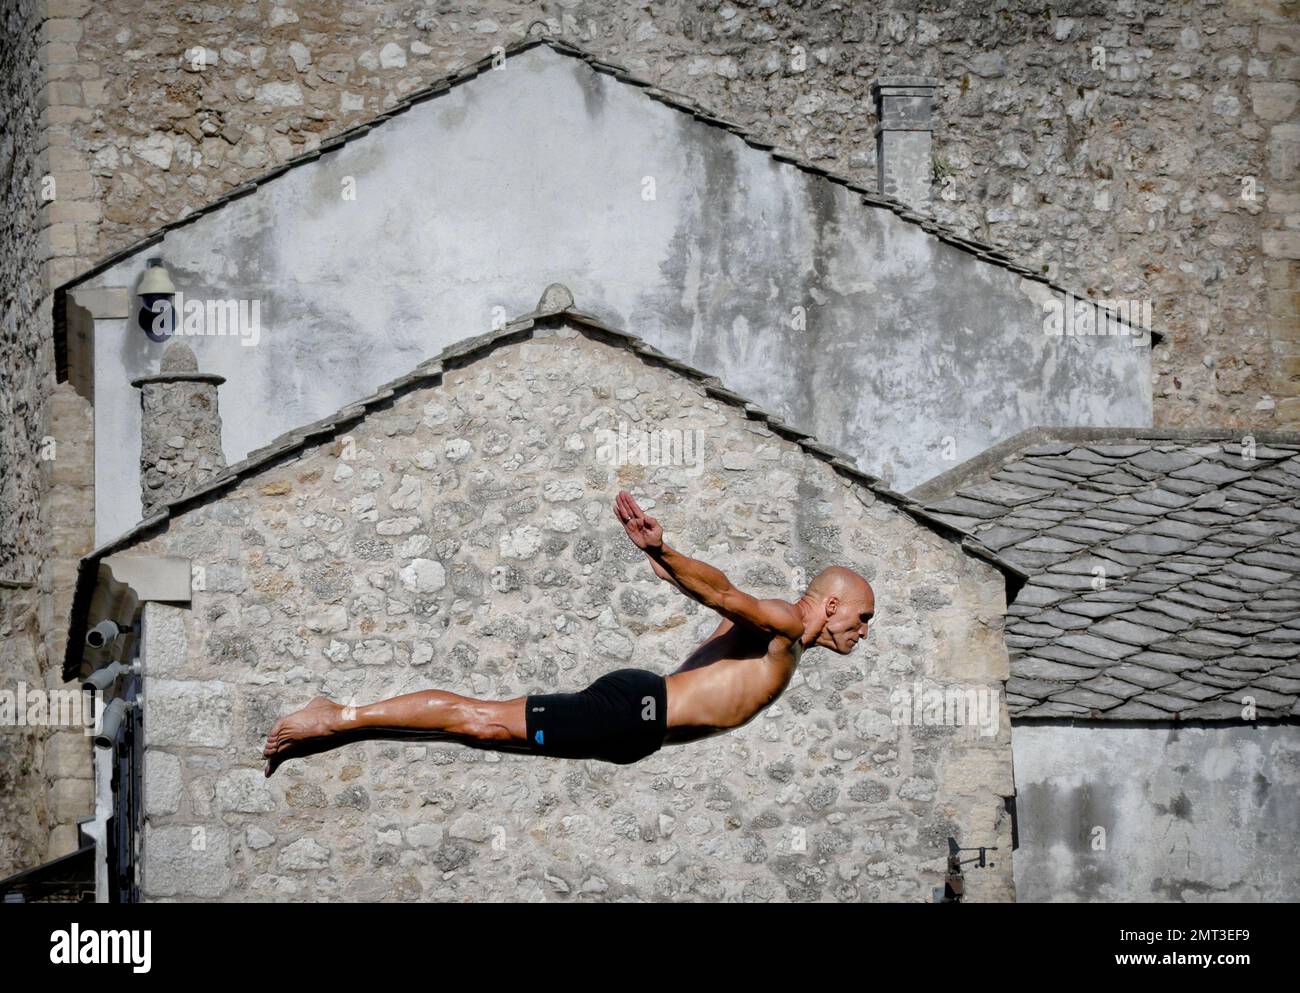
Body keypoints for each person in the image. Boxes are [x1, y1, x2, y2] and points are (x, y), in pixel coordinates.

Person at [263, 490, 874, 775]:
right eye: (862, 617)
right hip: (634, 713)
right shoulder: (790, 625)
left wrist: (662, 559)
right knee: (481, 721)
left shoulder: (774, 637)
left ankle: (347, 732)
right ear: (830, 602)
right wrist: (668, 550)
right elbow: (722, 591)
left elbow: (709, 595)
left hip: (635, 729)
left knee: (481, 737)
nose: (863, 631)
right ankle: (337, 716)